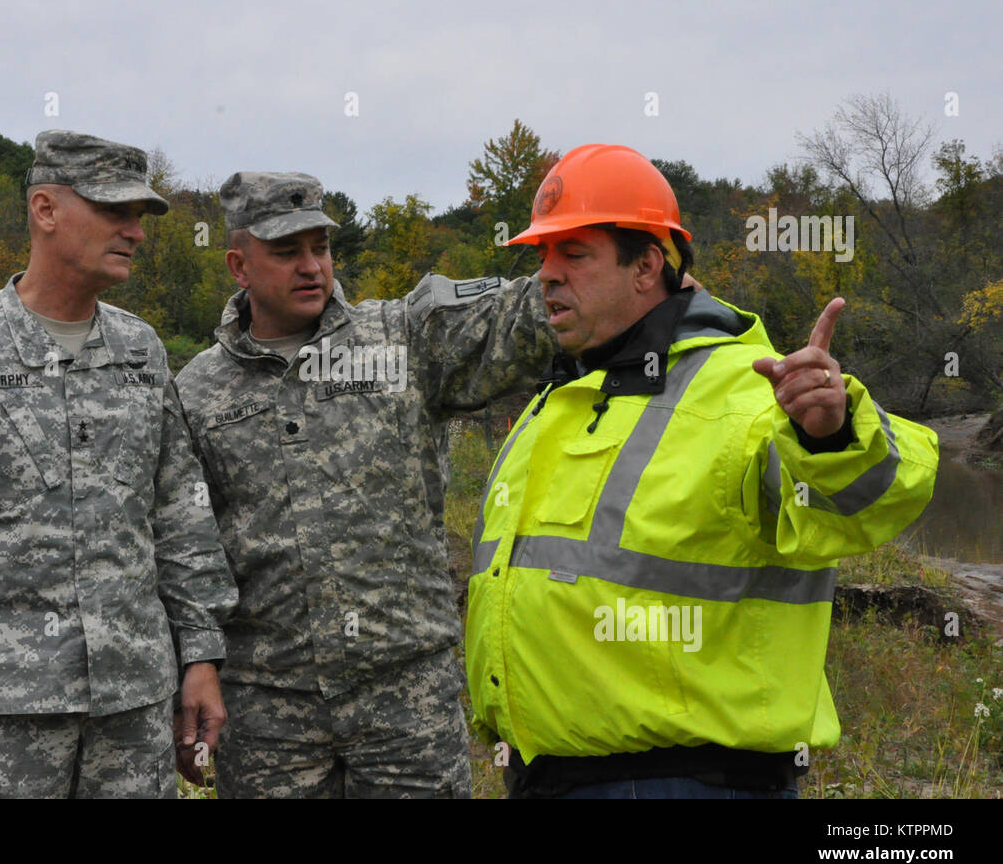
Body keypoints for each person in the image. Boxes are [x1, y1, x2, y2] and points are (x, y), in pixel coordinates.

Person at [464, 143, 940, 798]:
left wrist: (829, 433)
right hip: (551, 778)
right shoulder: (563, 398)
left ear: (646, 266)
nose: (547, 274)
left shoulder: (739, 391)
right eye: (543, 254)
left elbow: (876, 497)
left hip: (685, 783)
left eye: (574, 253)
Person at [0, 130, 238, 799]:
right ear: (45, 209)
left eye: (141, 216)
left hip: (132, 707)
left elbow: (180, 512)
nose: (134, 231)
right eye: (114, 210)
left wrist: (200, 654)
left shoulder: (141, 351)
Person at [174, 171, 559, 797]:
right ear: (238, 265)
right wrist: (195, 661)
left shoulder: (401, 340)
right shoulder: (197, 392)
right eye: (286, 251)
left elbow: (525, 316)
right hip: (270, 708)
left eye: (320, 247)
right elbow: (185, 545)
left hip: (405, 698)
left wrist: (654, 286)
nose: (311, 267)